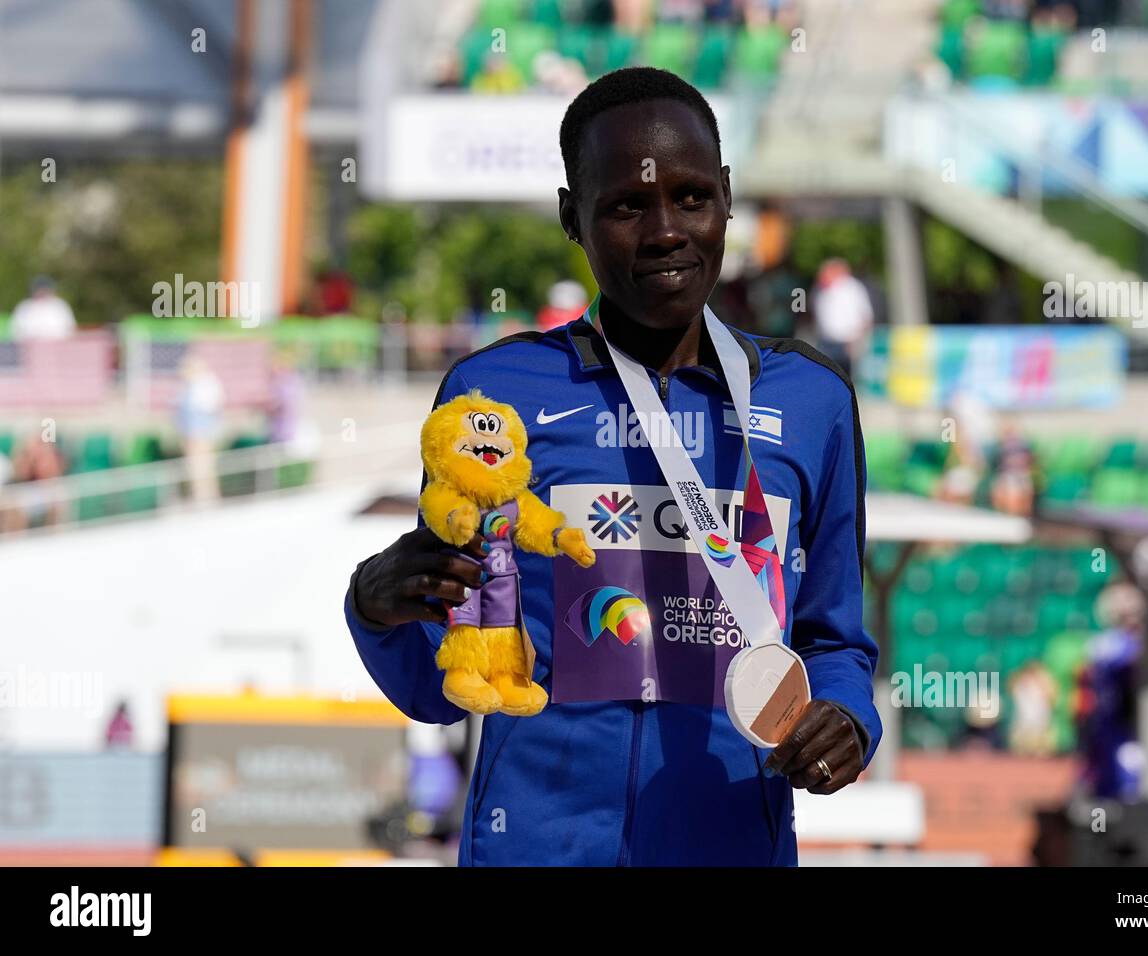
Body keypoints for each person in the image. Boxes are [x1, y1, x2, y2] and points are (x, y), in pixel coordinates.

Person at [344, 67, 882, 867]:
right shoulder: (493, 398)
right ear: (572, 215)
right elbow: (438, 686)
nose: (666, 230)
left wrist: (844, 715)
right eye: (627, 205)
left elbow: (833, 639)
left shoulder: (813, 402)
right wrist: (374, 608)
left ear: (728, 197)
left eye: (692, 197)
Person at [174, 355, 225, 504]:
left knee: (201, 466)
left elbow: (206, 410)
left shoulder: (203, 385)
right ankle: (203, 496)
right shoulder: (193, 385)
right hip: (194, 432)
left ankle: (205, 497)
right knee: (199, 466)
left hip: (199, 433)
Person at [810, 257, 873, 378]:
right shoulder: (823, 290)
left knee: (846, 378)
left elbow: (865, 316)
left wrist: (858, 340)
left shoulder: (852, 288)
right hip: (826, 341)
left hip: (847, 343)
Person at [10, 277, 76, 341]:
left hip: (58, 347)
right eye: (40, 290)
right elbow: (16, 331)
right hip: (29, 348)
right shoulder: (24, 307)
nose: (42, 292)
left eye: (45, 289)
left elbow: (70, 329)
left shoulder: (60, 305)